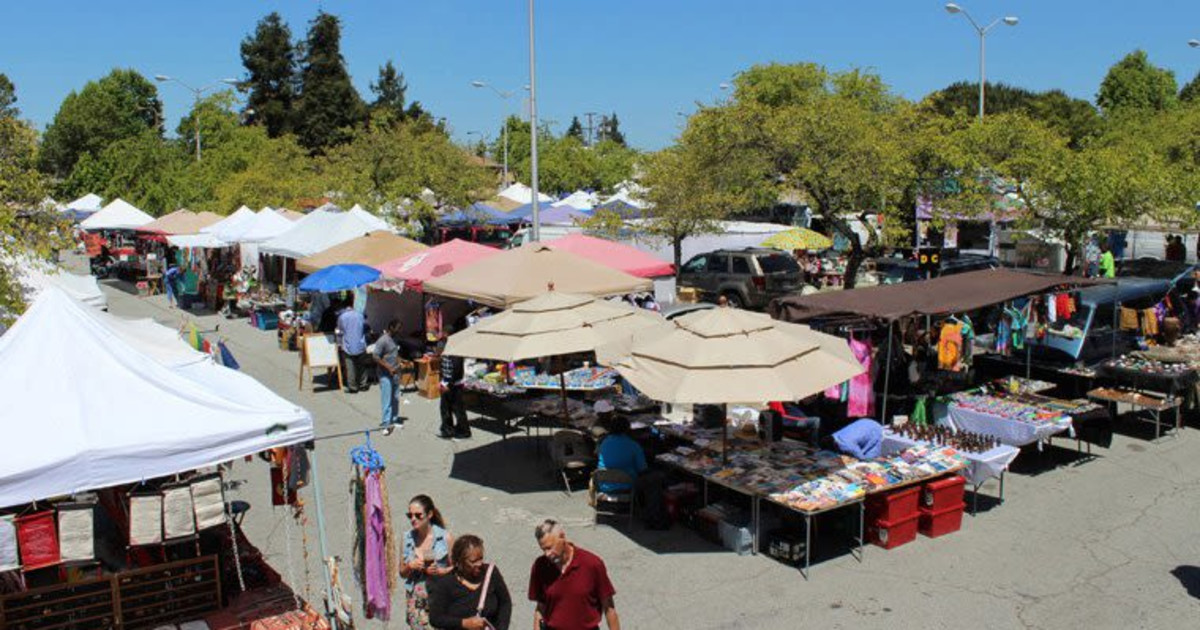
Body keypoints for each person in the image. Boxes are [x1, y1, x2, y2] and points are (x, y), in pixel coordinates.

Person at [529, 520, 620, 630]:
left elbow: (609, 608)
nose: (547, 554)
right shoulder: (540, 566)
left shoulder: (592, 564)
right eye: (543, 549)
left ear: (562, 537)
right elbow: (540, 608)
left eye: (549, 548)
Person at [596, 415, 669, 529]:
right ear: (627, 429)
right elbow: (643, 469)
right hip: (627, 484)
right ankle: (653, 517)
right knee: (656, 479)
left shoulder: (604, 442)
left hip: (603, 483)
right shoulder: (633, 445)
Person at [428, 535, 512, 630]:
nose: (479, 564)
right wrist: (464, 623)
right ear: (460, 562)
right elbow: (435, 618)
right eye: (473, 561)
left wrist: (502, 627)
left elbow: (505, 603)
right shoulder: (446, 583)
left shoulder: (491, 573)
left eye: (481, 558)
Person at [402, 495, 455, 630]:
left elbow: (459, 569)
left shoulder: (445, 538)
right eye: (410, 515)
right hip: (417, 604)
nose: (413, 519)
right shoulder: (407, 539)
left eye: (418, 515)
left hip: (440, 599)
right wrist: (410, 565)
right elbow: (401, 573)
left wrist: (442, 571)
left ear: (429, 514)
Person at [438, 327, 470, 439]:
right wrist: (441, 382)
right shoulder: (444, 345)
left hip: (454, 384)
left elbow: (456, 370)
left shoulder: (456, 348)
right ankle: (447, 429)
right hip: (446, 382)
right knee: (445, 408)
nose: (442, 334)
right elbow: (443, 365)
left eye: (443, 333)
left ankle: (464, 431)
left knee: (458, 409)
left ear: (447, 334)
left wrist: (448, 385)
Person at [374, 319, 405, 429]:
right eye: (398, 328)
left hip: (396, 372)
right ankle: (386, 422)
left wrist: (401, 361)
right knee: (386, 398)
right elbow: (376, 356)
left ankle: (394, 418)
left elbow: (394, 353)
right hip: (385, 374)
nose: (399, 330)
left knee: (395, 397)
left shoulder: (395, 339)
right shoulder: (383, 340)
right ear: (391, 327)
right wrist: (388, 368)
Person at [336, 300, 369, 393]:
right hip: (360, 344)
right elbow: (365, 327)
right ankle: (363, 384)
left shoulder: (342, 317)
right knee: (362, 366)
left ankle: (353, 387)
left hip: (348, 345)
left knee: (350, 367)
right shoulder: (360, 315)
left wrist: (339, 343)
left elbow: (340, 331)